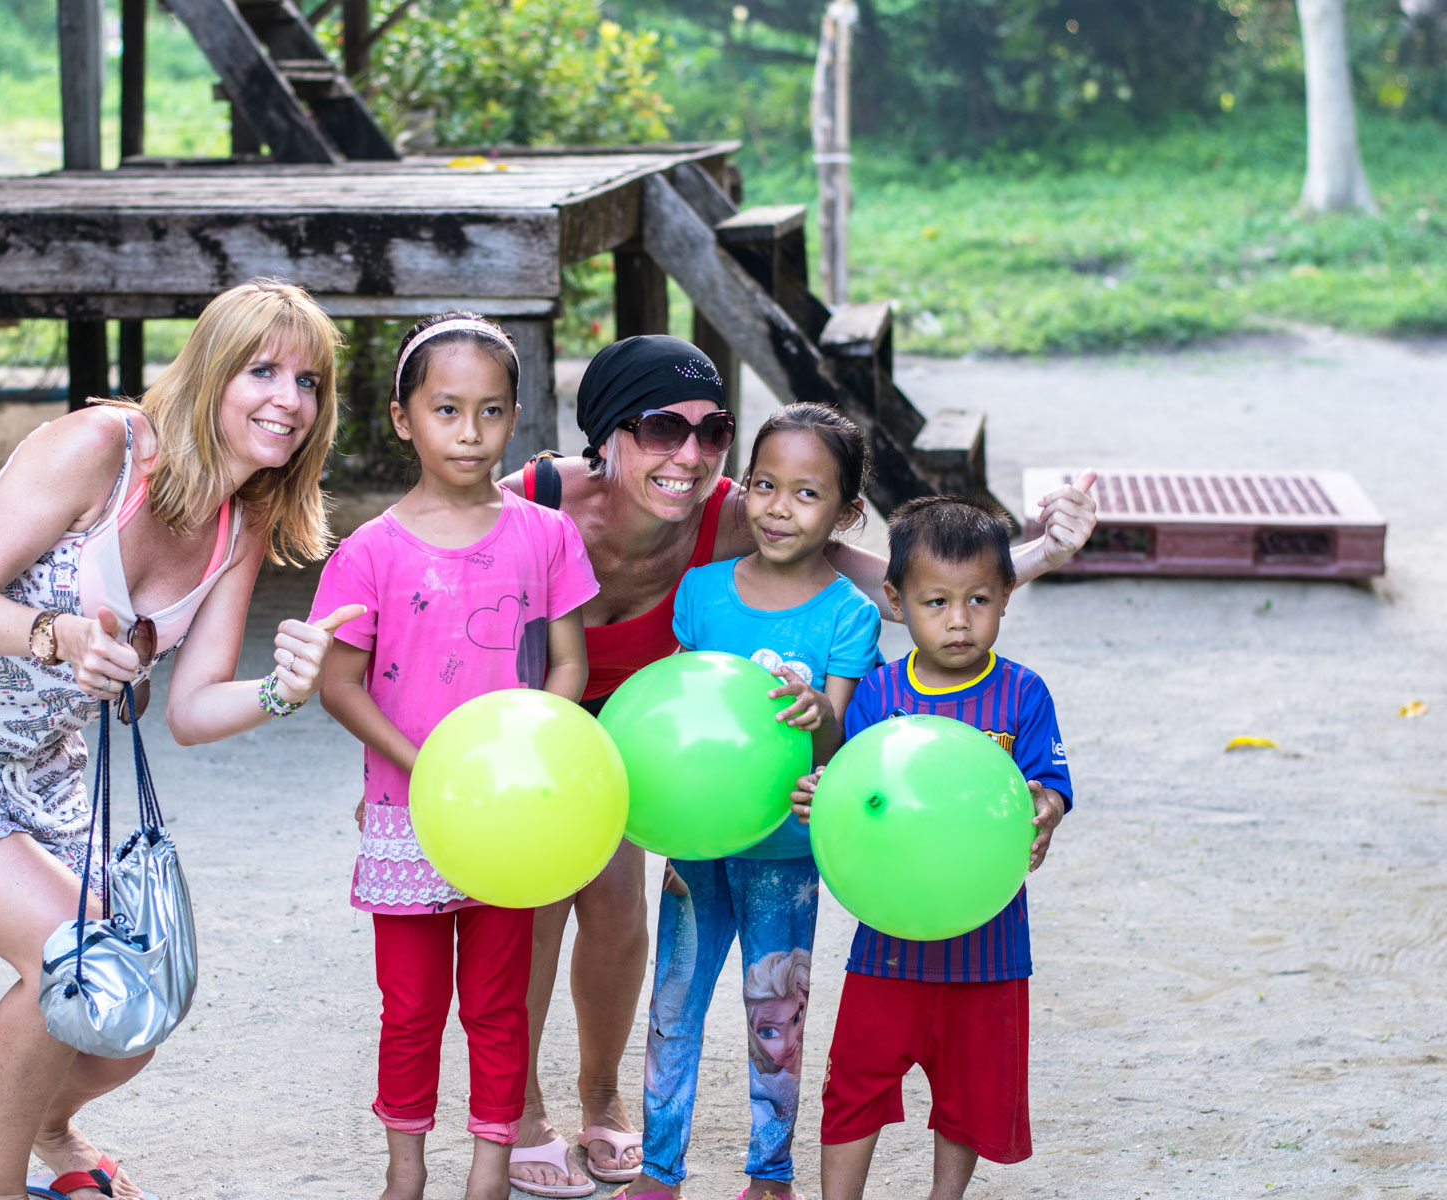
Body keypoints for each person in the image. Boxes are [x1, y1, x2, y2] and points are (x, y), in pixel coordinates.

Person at [0, 281, 361, 1200]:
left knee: (143, 989)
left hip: (34, 768)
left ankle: (52, 1126)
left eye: (309, 381)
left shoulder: (242, 519)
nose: (289, 401)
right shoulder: (101, 449)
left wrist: (284, 691)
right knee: (73, 951)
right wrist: (56, 636)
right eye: (264, 370)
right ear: (214, 371)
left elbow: (192, 708)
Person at [499, 335, 1098, 1196]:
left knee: (712, 975)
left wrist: (1037, 552)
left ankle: (703, 1146)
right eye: (664, 426)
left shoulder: (776, 549)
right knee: (568, 931)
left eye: (713, 434)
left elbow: (911, 585)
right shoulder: (561, 510)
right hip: (567, 729)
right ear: (608, 431)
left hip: (749, 823)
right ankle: (571, 1133)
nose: (693, 454)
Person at [310, 313, 601, 1200]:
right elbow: (339, 682)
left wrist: (520, 751)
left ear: (516, 418)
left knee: (497, 1007)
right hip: (408, 820)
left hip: (512, 827)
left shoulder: (546, 536)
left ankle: (488, 1175)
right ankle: (405, 1177)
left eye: (490, 412)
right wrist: (429, 764)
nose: (469, 433)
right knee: (410, 1012)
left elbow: (569, 664)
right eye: (445, 410)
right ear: (404, 418)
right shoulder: (367, 554)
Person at [618, 403, 883, 1200]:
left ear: (846, 513)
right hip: (695, 848)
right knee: (672, 1010)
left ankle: (771, 1173)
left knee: (778, 1018)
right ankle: (659, 1170)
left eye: (806, 493)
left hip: (784, 855)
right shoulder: (700, 594)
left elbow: (833, 741)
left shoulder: (849, 613)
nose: (777, 507)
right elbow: (677, 716)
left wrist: (820, 714)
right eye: (765, 485)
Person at [789, 495, 1072, 1200]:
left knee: (968, 1099)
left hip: (991, 947)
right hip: (888, 946)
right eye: (936, 600)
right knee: (853, 1083)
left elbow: (1051, 781)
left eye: (978, 599)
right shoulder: (881, 696)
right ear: (896, 599)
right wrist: (819, 798)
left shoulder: (1023, 695)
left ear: (1007, 596)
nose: (957, 619)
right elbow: (856, 795)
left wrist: (1046, 807)